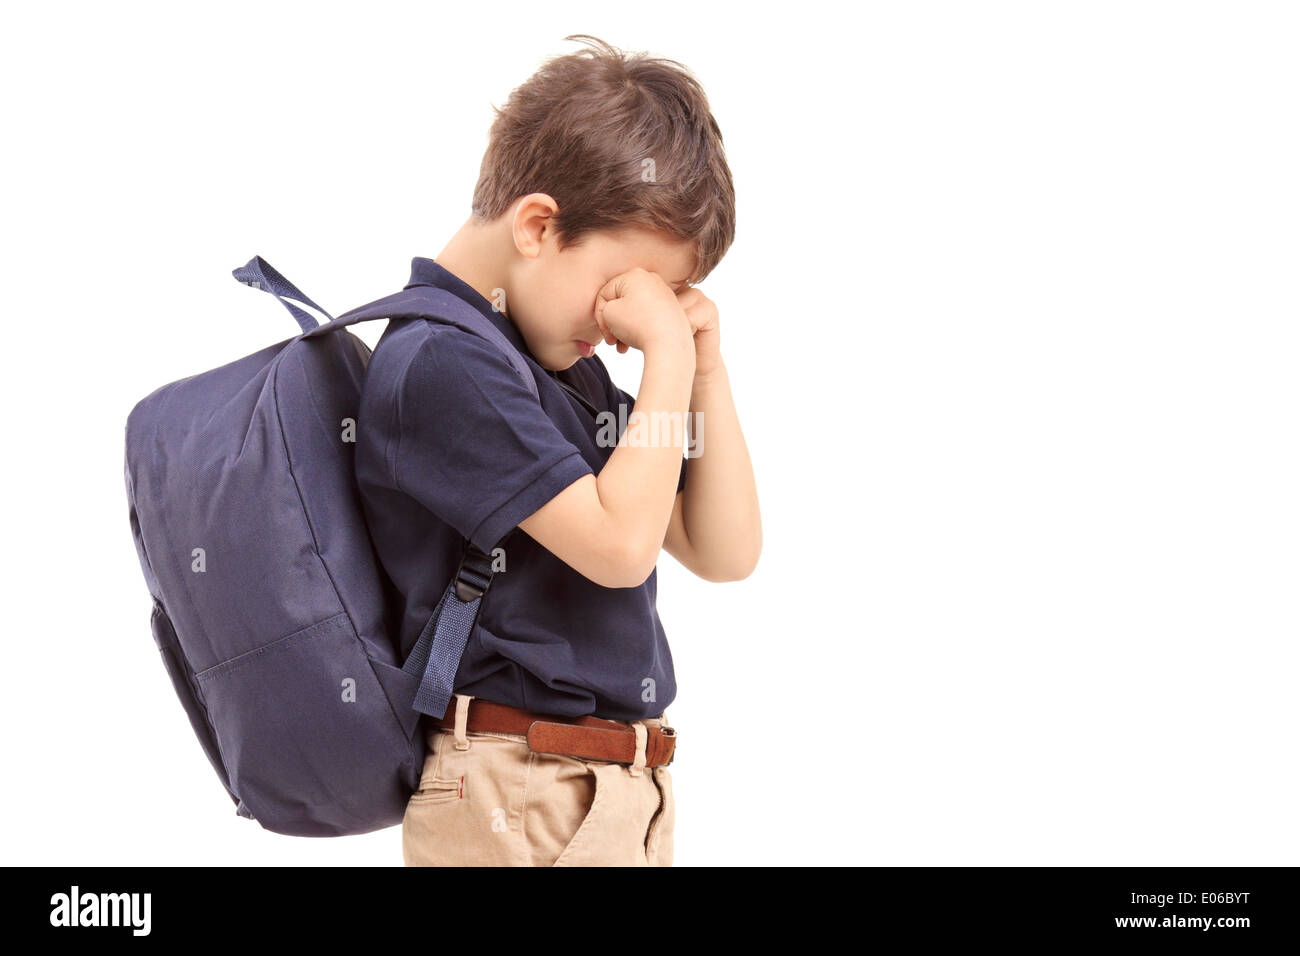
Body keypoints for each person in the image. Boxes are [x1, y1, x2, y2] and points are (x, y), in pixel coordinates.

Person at [355, 34, 760, 866]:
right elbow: (619, 548)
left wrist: (702, 367)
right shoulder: (443, 362)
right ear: (539, 224)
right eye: (623, 288)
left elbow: (724, 550)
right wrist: (668, 362)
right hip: (516, 789)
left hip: (610, 791)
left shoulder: (554, 367)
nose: (622, 328)